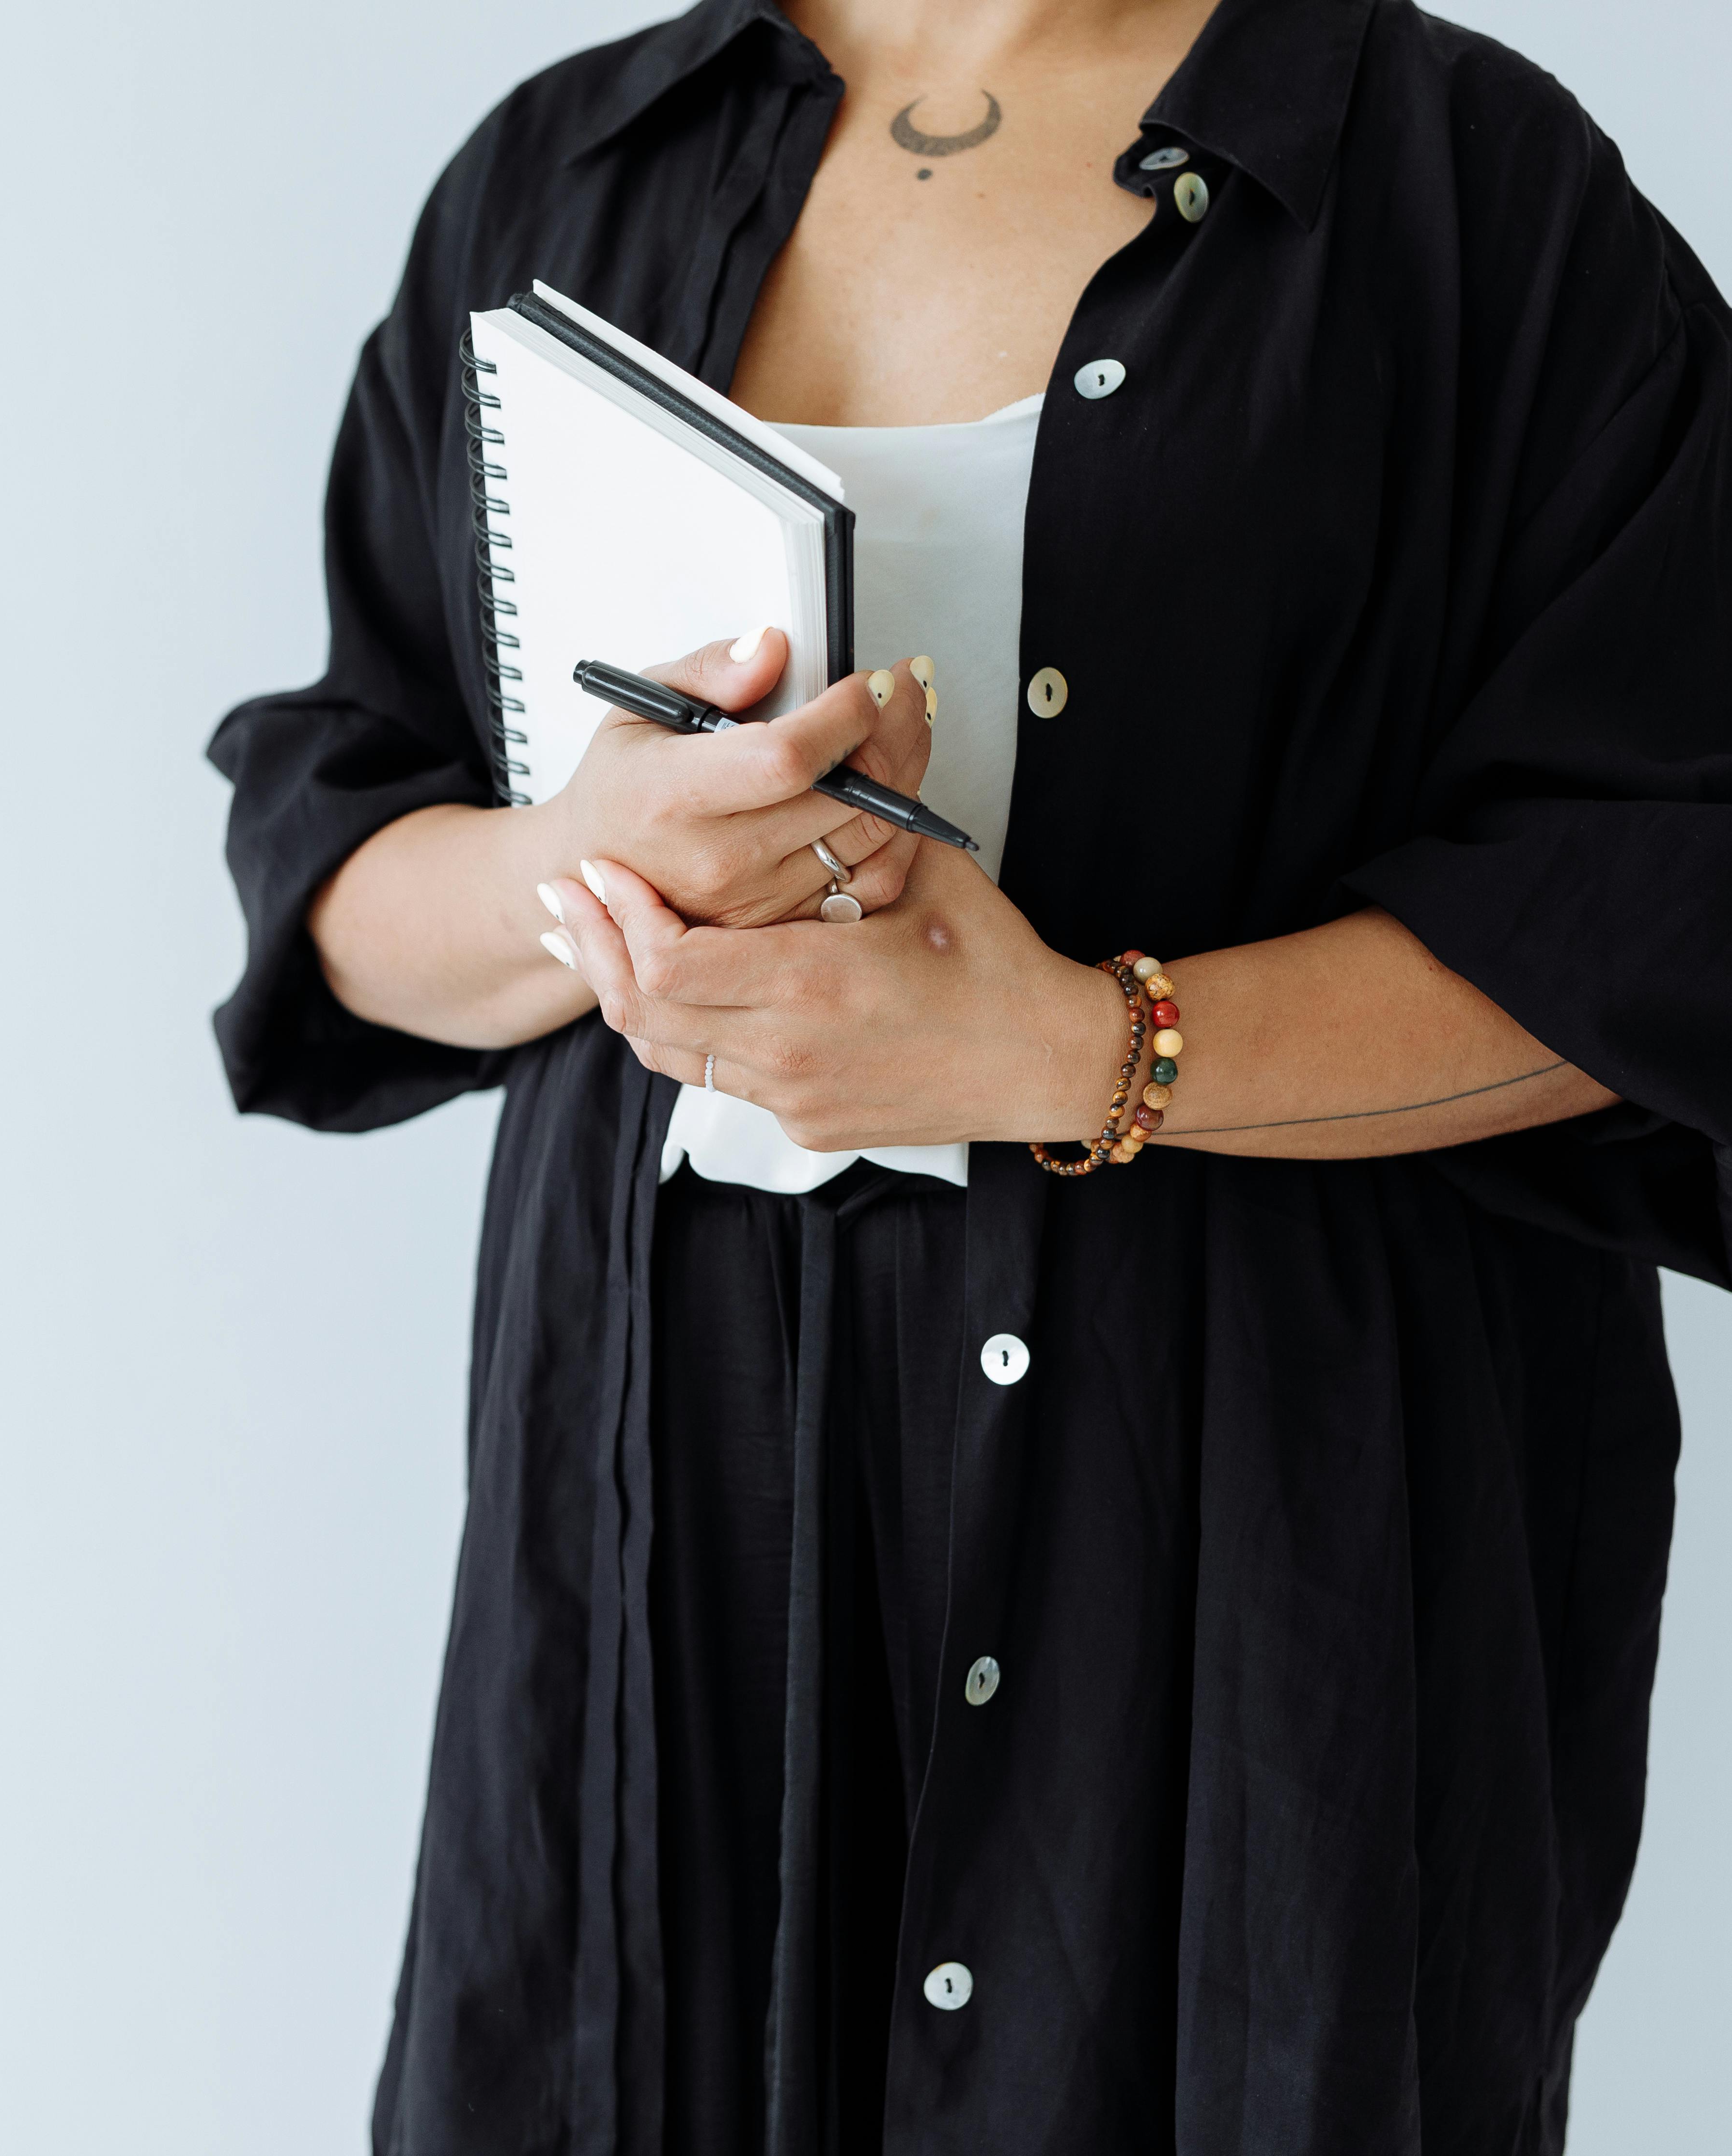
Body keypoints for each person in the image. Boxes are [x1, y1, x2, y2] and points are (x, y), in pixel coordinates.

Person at [206, 0, 1732, 2149]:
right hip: (658, 1491)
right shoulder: (566, 171)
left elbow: (1670, 902)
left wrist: (1082, 1044)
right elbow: (344, 870)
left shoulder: (1465, 190)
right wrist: (584, 866)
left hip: (1249, 1505)